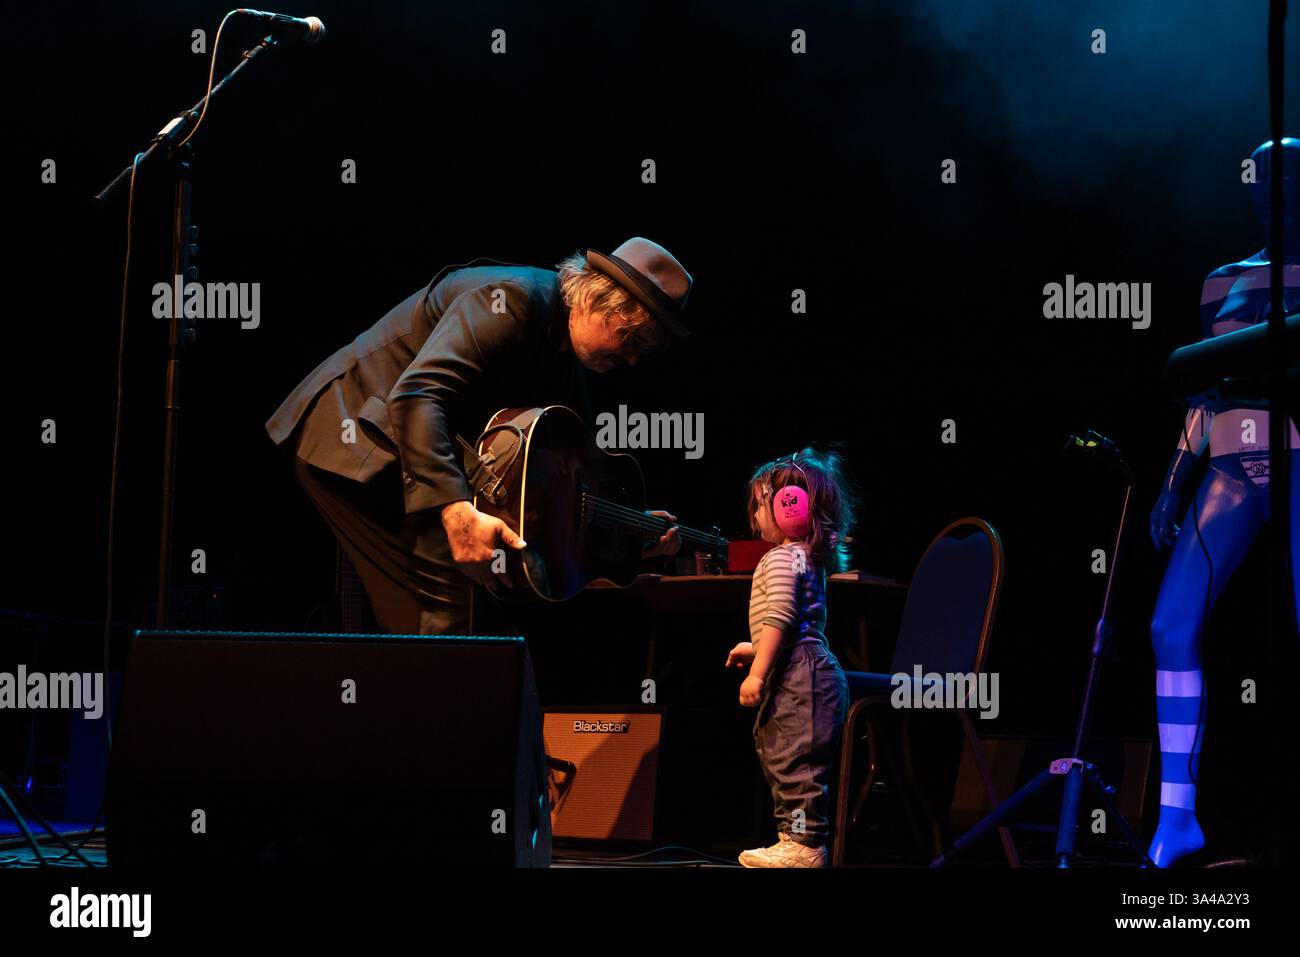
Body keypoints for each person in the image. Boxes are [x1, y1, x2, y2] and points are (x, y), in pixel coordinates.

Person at [265, 238, 692, 634]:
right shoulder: (512, 301)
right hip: (355, 436)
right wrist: (455, 513)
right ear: (597, 300)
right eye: (631, 338)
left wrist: (619, 532)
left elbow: (568, 476)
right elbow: (417, 395)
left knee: (475, 607)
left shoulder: (567, 356)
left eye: (644, 349)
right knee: (444, 609)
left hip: (409, 457)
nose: (634, 359)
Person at [1147, 138, 1300, 866]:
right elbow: (1204, 393)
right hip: (1234, 467)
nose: (1275, 189)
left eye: (1290, 175)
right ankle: (1178, 815)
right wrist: (1174, 483)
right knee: (1170, 624)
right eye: (1265, 177)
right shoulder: (1224, 278)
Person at [725, 448, 857, 867]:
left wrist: (758, 673)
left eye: (761, 504)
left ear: (793, 508)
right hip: (800, 667)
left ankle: (806, 846)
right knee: (784, 756)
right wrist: (756, 646)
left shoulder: (784, 557)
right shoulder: (802, 558)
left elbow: (782, 616)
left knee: (797, 764)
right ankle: (793, 840)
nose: (756, 515)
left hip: (800, 673)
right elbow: (791, 621)